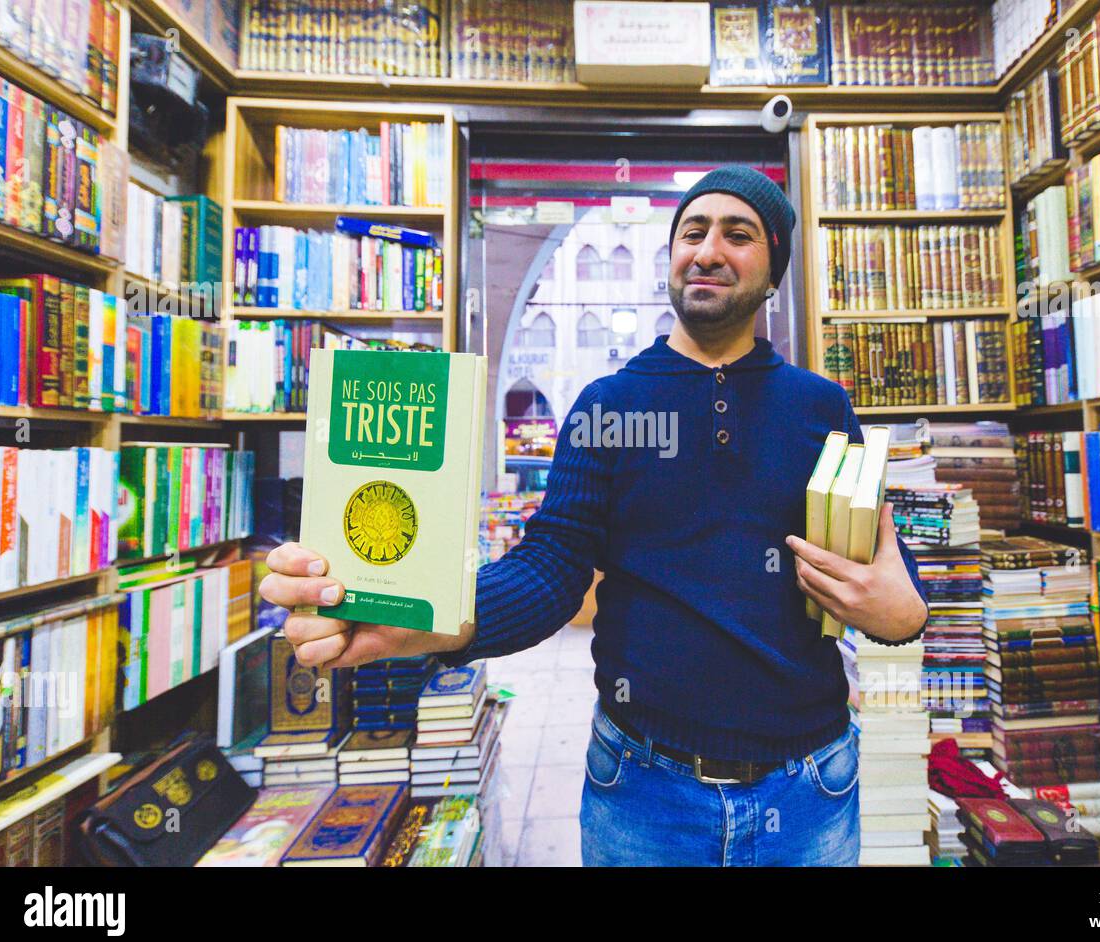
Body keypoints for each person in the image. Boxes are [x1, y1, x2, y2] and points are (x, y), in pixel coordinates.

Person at [259, 165, 930, 866]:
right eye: (692, 232)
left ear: (772, 272)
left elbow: (886, 569)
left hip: (809, 792)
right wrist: (426, 613)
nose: (707, 250)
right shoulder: (607, 405)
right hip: (642, 793)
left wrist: (901, 614)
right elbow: (550, 569)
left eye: (739, 235)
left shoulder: (821, 408)